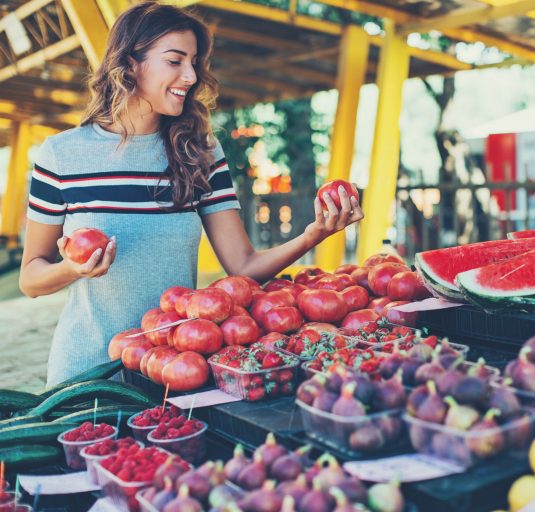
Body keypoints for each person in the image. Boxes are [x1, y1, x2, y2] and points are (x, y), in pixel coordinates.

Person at [18, 1, 363, 386]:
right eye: (175, 61)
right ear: (130, 64)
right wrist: (72, 269)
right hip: (86, 373)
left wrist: (314, 234)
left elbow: (244, 266)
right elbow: (30, 278)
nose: (190, 75)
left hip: (175, 372)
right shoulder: (62, 154)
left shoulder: (199, 152)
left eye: (194, 63)